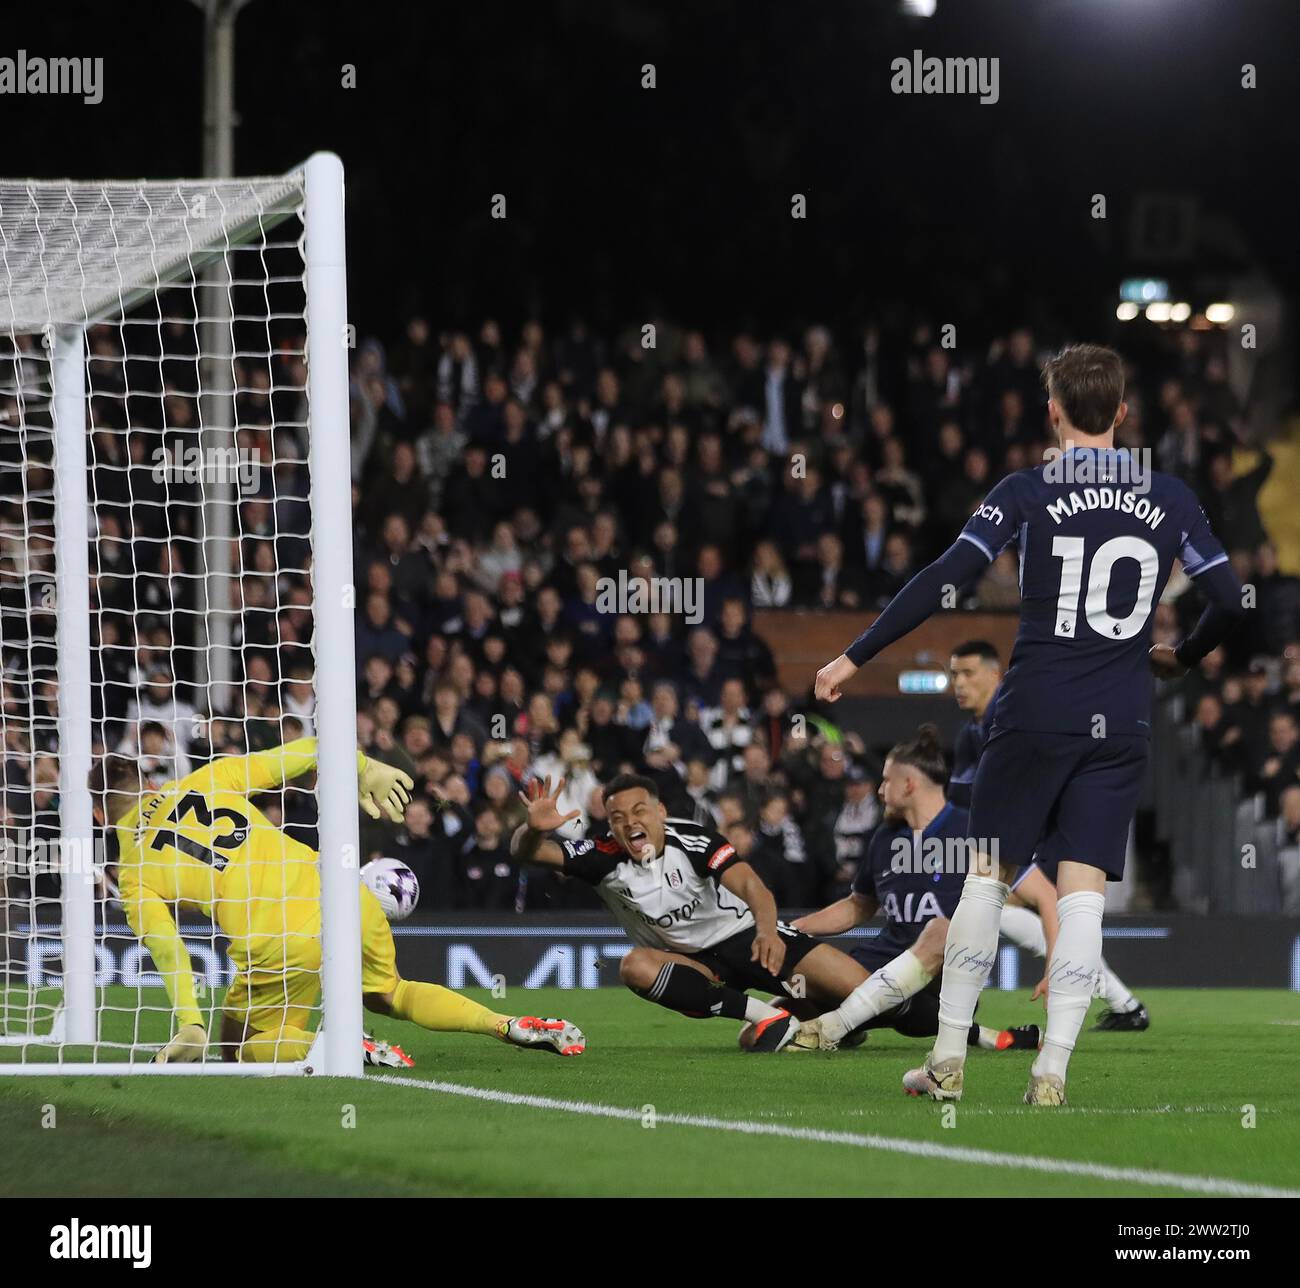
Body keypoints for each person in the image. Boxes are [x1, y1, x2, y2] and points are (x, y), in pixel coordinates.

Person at [814, 343, 1244, 1104]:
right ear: (1120, 413)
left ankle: (947, 1064)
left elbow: (945, 576)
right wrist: (1181, 656)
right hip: (1120, 726)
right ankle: (1053, 1072)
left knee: (986, 877)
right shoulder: (1169, 495)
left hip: (1034, 712)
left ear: (1052, 411)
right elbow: (1232, 597)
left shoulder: (1028, 489)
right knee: (1080, 895)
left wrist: (856, 656)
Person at [100, 738, 584, 1064]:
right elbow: (314, 748)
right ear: (144, 781)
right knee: (391, 992)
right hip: (341, 890)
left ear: (100, 811)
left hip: (278, 942)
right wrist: (365, 766)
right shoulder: (204, 780)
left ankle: (339, 1046)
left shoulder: (133, 873)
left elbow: (170, 953)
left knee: (237, 1050)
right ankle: (503, 1022)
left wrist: (189, 1024)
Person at [510, 773, 872, 1052]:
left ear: (660, 812)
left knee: (870, 997)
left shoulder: (694, 839)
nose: (629, 823)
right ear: (610, 826)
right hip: (697, 967)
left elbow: (751, 887)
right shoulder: (601, 856)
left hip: (747, 938)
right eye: (617, 817)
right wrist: (531, 829)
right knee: (635, 966)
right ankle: (768, 1017)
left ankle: (807, 1006)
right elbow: (527, 852)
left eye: (639, 811)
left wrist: (767, 931)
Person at [791, 725, 1043, 1053]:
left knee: (941, 930)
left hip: (941, 981)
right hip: (874, 968)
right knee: (764, 1032)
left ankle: (840, 1024)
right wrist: (793, 928)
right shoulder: (885, 837)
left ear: (908, 784)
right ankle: (855, 1022)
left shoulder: (970, 829)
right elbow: (858, 905)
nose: (880, 790)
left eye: (886, 781)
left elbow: (1041, 895)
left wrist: (1056, 964)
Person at [948, 639, 1149, 1031]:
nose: (959, 683)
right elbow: (958, 802)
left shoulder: (1015, 718)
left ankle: (1084, 997)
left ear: (995, 675)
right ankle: (1123, 1002)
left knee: (1038, 910)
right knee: (1015, 912)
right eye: (954, 674)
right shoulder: (969, 732)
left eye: (968, 673)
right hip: (1020, 836)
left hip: (1052, 833)